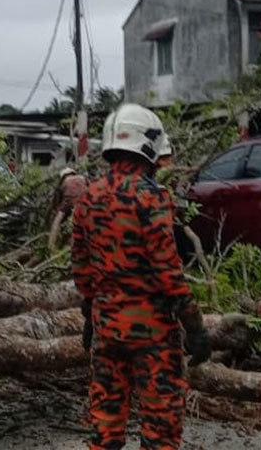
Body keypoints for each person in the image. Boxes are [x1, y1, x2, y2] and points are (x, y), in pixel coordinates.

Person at [73, 103, 210, 450]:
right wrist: (194, 325)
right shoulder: (152, 197)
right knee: (159, 424)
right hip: (152, 333)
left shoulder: (87, 199)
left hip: (106, 327)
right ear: (147, 147)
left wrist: (90, 316)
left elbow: (82, 270)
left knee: (105, 422)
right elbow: (167, 271)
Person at [48, 166, 89, 251]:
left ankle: (51, 246)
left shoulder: (63, 183)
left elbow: (56, 204)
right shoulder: (83, 178)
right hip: (87, 201)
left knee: (57, 221)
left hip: (69, 202)